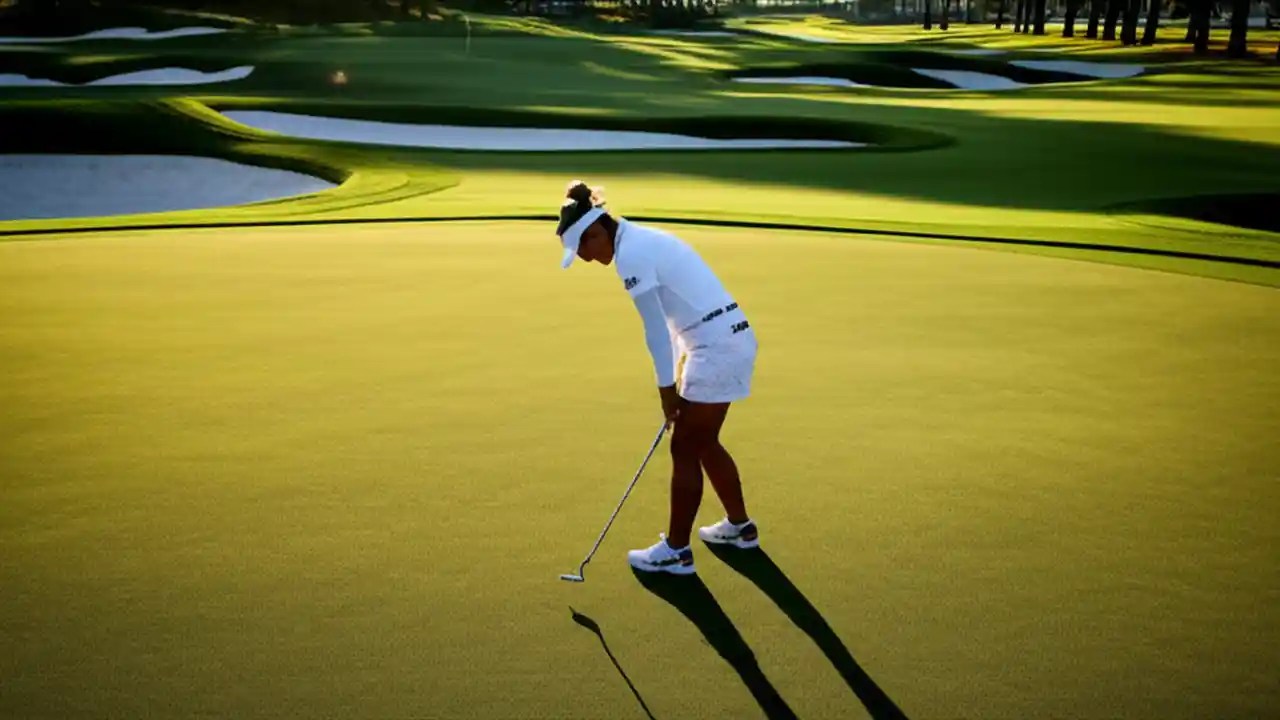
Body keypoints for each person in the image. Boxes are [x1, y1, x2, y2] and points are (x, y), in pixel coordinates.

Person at [556, 180, 760, 575]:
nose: (582, 257)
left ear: (596, 232)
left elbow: (654, 330)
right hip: (722, 340)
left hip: (716, 347)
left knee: (684, 447)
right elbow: (674, 317)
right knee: (701, 442)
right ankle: (740, 528)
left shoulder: (631, 255)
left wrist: (667, 392)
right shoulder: (639, 239)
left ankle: (678, 553)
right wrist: (682, 366)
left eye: (582, 247)